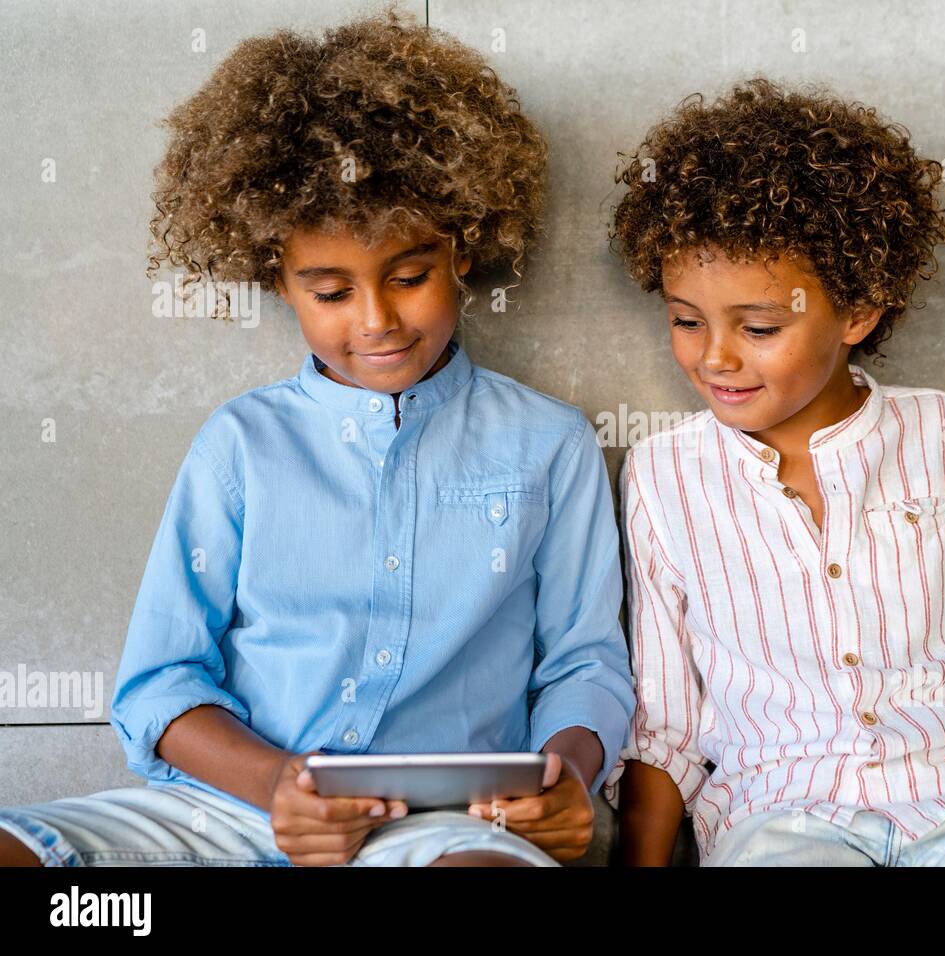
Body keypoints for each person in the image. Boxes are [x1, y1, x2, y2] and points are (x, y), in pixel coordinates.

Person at [0, 6, 634, 868]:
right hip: (225, 812)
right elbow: (162, 686)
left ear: (466, 247)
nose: (377, 322)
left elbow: (584, 666)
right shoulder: (240, 444)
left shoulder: (549, 444)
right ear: (277, 278)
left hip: (447, 829)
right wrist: (279, 790)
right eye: (331, 292)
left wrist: (571, 776)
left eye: (409, 276)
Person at [603, 77, 945, 866]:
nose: (714, 357)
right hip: (777, 818)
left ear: (858, 312)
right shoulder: (662, 474)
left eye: (759, 326)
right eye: (685, 320)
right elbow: (666, 719)